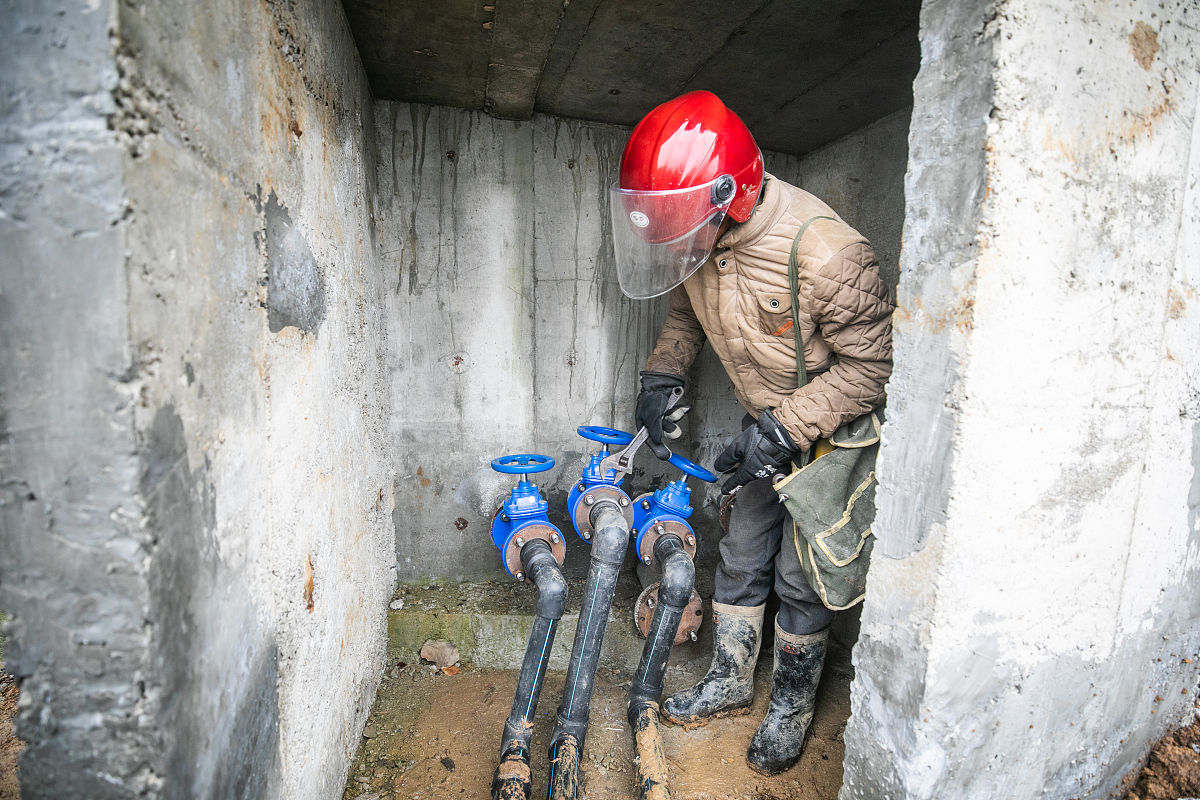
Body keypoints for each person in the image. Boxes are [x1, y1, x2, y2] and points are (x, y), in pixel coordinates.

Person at [610, 90, 894, 775]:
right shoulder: (699, 240)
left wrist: (784, 429)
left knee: (801, 577)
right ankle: (732, 680)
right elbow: (684, 321)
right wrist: (660, 379)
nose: (678, 245)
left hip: (827, 438)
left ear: (729, 196)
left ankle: (793, 704)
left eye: (683, 228)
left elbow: (875, 366)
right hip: (761, 424)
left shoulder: (829, 255)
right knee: (740, 552)